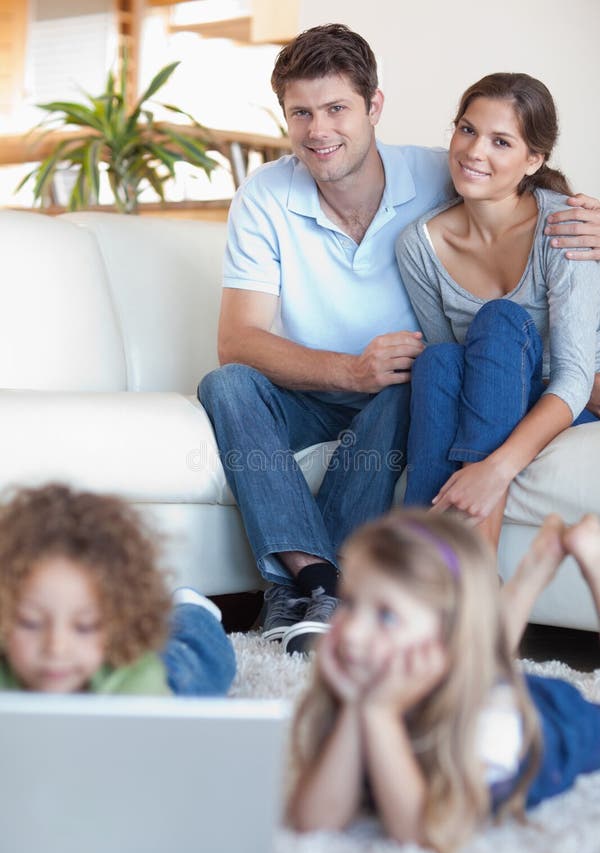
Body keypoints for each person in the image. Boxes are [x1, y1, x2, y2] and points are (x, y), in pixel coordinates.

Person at [199, 25, 600, 655]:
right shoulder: (268, 197)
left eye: (337, 109)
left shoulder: (441, 176)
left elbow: (514, 193)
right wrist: (348, 371)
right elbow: (237, 340)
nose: (318, 130)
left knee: (448, 356)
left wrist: (592, 222)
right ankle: (315, 580)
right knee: (228, 384)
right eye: (300, 113)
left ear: (374, 107)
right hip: (326, 388)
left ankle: (378, 586)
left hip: (409, 391)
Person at [287, 507, 600, 853]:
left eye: (386, 615)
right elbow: (313, 822)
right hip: (461, 675)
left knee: (486, 672)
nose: (354, 632)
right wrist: (355, 706)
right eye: (350, 602)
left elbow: (424, 834)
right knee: (483, 665)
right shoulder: (368, 683)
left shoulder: (493, 725)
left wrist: (377, 712)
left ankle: (590, 560)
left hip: (552, 721)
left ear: (449, 638)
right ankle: (537, 568)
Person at [396, 73, 600, 549]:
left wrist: (494, 469)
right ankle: (420, 565)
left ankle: (472, 569)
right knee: (438, 360)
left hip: (569, 399)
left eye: (500, 141)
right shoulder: (419, 245)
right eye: (467, 129)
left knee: (499, 319)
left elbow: (574, 376)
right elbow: (452, 369)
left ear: (533, 160)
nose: (474, 152)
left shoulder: (566, 226)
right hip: (491, 391)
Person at [0, 483, 236, 695]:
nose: (56, 648)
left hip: (137, 674)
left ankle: (193, 610)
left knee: (197, 666)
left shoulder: (142, 687)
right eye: (30, 622)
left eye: (85, 626)